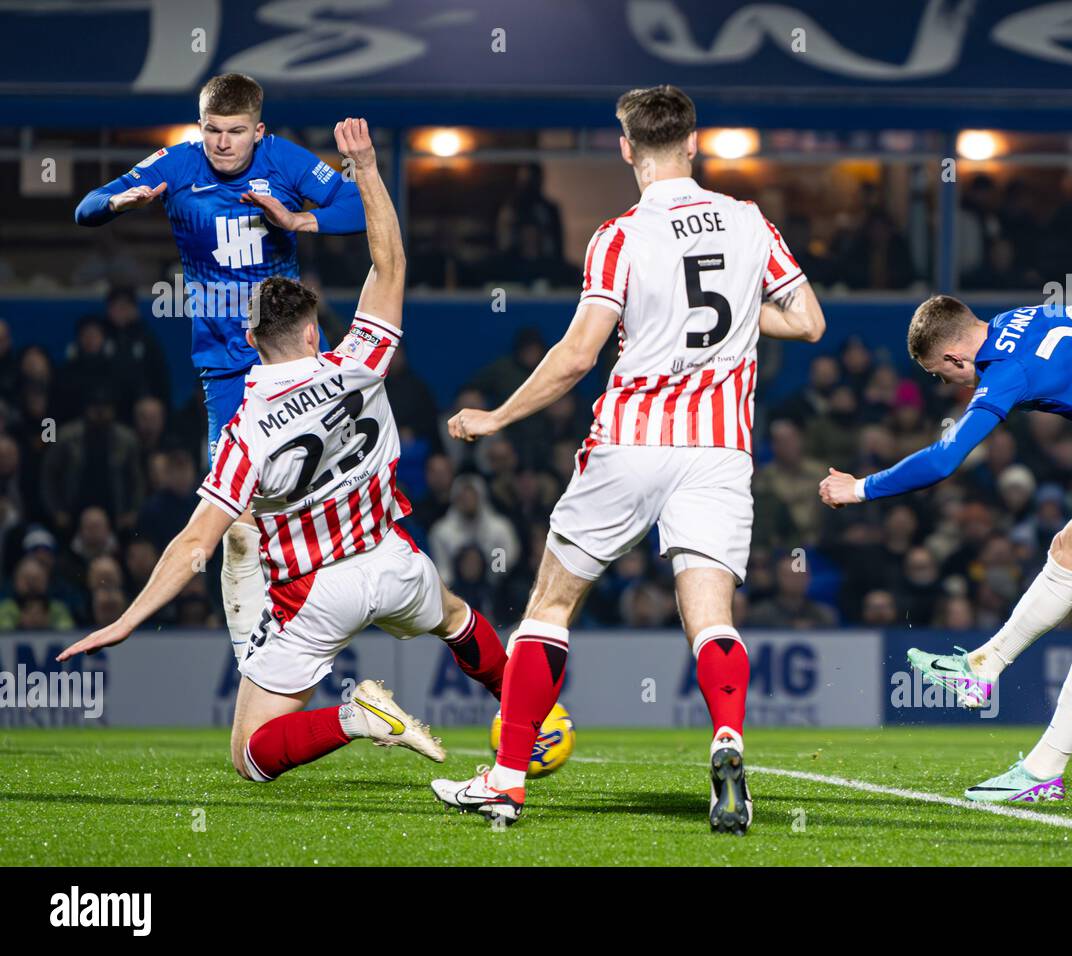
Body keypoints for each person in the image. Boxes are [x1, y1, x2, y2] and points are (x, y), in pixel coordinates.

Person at [59, 119, 508, 784]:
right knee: (459, 619)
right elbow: (392, 263)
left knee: (250, 754)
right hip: (391, 556)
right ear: (311, 331)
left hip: (315, 594)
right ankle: (531, 713)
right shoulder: (360, 360)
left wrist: (125, 619)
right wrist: (367, 170)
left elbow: (191, 547)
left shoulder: (245, 430)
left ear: (249, 334)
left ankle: (356, 718)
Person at [433, 85, 825, 832]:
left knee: (548, 607)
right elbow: (808, 321)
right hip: (718, 449)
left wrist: (500, 414)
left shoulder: (619, 235)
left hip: (631, 441)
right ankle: (728, 739)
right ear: (694, 141)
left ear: (625, 148)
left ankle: (508, 778)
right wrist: (742, 321)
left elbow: (579, 355)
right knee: (710, 617)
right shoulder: (748, 222)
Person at [820, 295, 1072, 803]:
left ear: (953, 358)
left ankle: (1043, 771)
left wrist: (859, 488)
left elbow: (946, 460)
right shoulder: (1020, 318)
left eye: (941, 376)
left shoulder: (1006, 371)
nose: (948, 385)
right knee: (1069, 548)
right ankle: (984, 667)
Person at [73, 73, 366, 665]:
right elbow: (85, 208)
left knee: (330, 494)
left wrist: (295, 221)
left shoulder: (285, 160)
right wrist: (118, 202)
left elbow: (356, 203)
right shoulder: (177, 165)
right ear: (198, 126)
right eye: (213, 131)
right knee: (234, 523)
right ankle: (254, 664)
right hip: (224, 370)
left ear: (259, 131)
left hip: (297, 357)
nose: (223, 144)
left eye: (236, 132)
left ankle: (355, 612)